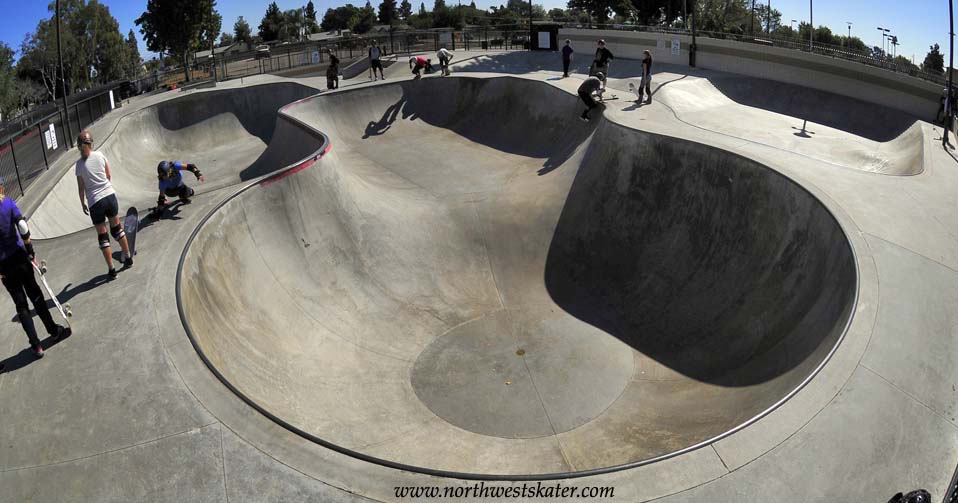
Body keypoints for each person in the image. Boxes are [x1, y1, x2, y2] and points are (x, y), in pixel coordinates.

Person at [0, 177, 70, 359]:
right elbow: (22, 225)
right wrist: (30, 250)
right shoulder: (8, 204)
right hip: (20, 258)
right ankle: (53, 331)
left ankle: (36, 346)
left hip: (4, 267)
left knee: (21, 305)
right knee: (36, 295)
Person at [75, 130, 132, 279]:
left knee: (103, 236)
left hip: (95, 203)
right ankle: (128, 257)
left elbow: (81, 189)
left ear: (79, 147)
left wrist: (83, 204)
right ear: (91, 144)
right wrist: (105, 189)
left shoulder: (79, 165)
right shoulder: (100, 155)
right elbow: (108, 176)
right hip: (109, 196)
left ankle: (112, 270)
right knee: (117, 229)